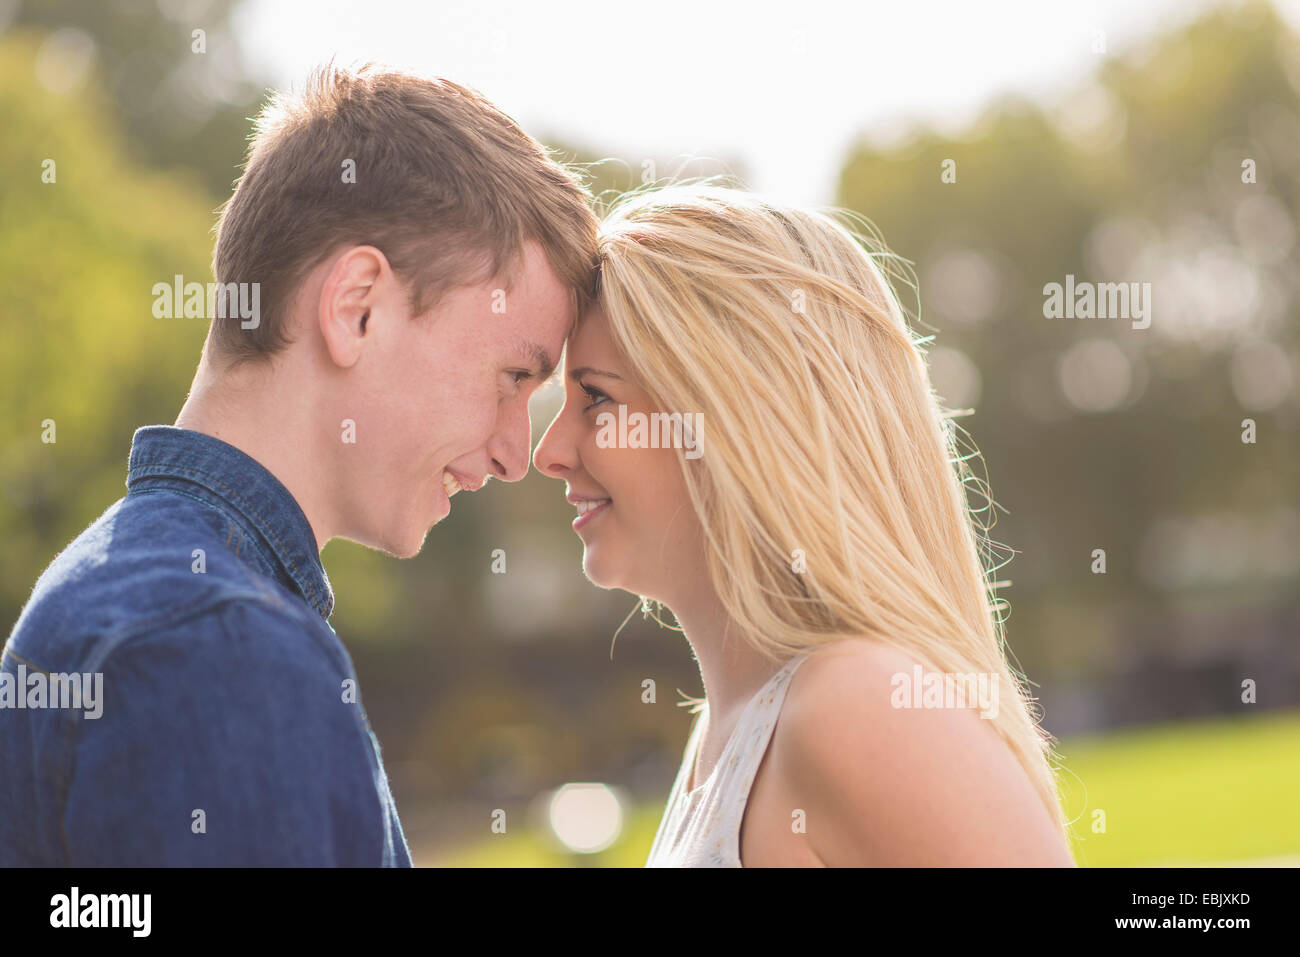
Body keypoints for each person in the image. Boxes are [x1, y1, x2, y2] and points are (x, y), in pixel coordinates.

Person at [0, 63, 598, 865]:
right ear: (356, 309)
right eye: (515, 377)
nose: (515, 453)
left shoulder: (153, 602)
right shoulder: (215, 648)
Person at [534, 183, 1078, 866]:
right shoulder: (727, 733)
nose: (547, 451)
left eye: (595, 397)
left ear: (737, 417)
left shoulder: (859, 706)